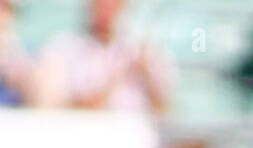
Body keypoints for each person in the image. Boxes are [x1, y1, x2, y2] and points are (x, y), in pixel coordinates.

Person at [28, 0, 171, 115]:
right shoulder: (64, 49)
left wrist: (146, 76)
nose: (107, 7)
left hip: (138, 139)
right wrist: (118, 77)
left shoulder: (143, 50)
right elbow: (63, 111)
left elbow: (165, 111)